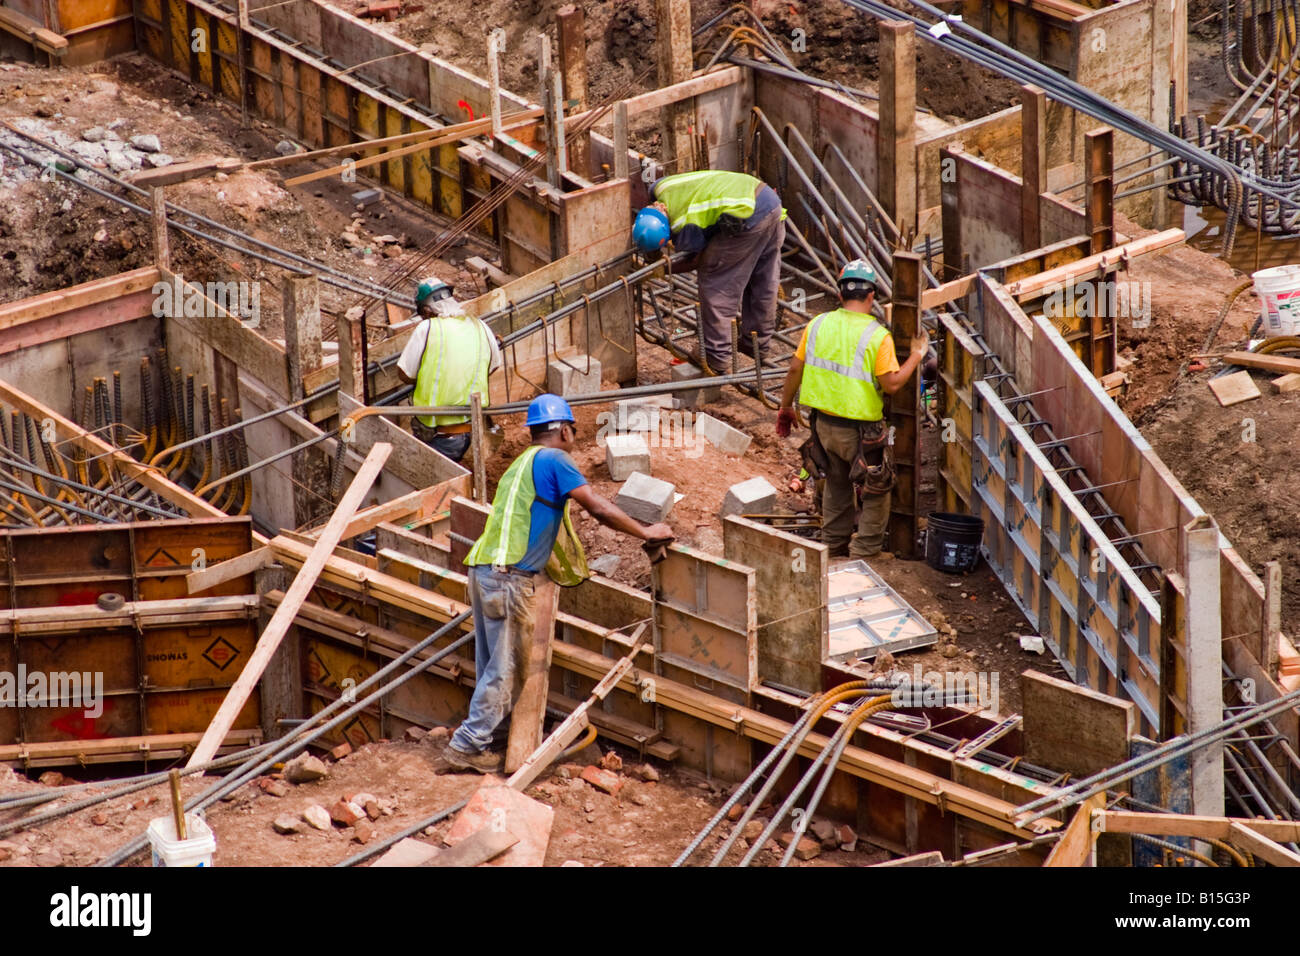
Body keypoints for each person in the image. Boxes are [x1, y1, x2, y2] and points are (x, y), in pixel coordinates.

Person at [443, 394, 674, 772]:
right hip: (508, 578)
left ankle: (490, 739)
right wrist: (646, 531)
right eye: (573, 430)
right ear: (564, 430)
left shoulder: (521, 463)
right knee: (506, 668)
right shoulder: (555, 460)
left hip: (484, 570)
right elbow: (597, 508)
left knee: (491, 665)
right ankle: (466, 745)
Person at [775, 259, 929, 559]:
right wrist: (916, 355)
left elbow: (795, 369)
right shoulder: (877, 335)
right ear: (871, 296)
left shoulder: (817, 324)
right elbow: (893, 384)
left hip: (822, 427)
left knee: (835, 482)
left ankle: (833, 545)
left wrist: (785, 408)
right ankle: (865, 551)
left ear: (840, 293)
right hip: (861, 433)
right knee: (876, 488)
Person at [632, 171, 786, 373]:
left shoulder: (685, 225)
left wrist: (662, 269)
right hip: (769, 202)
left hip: (745, 219)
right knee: (763, 281)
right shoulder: (659, 187)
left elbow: (697, 260)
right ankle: (756, 343)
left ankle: (716, 355)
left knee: (717, 281)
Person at [395, 277, 501, 463]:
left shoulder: (427, 327)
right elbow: (493, 365)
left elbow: (405, 373)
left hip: (440, 436)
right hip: (475, 431)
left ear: (427, 311)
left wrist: (427, 378)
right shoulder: (479, 325)